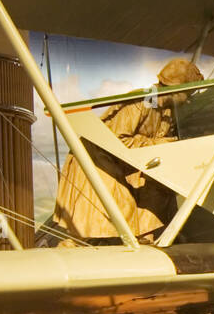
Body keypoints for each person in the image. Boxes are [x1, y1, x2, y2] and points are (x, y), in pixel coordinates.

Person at [53, 58, 203, 243]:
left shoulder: (166, 111)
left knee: (159, 188)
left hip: (124, 163)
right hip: (98, 161)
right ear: (175, 87)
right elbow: (117, 141)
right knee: (111, 215)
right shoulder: (143, 100)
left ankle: (150, 235)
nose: (188, 99)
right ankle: (74, 248)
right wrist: (161, 144)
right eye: (187, 92)